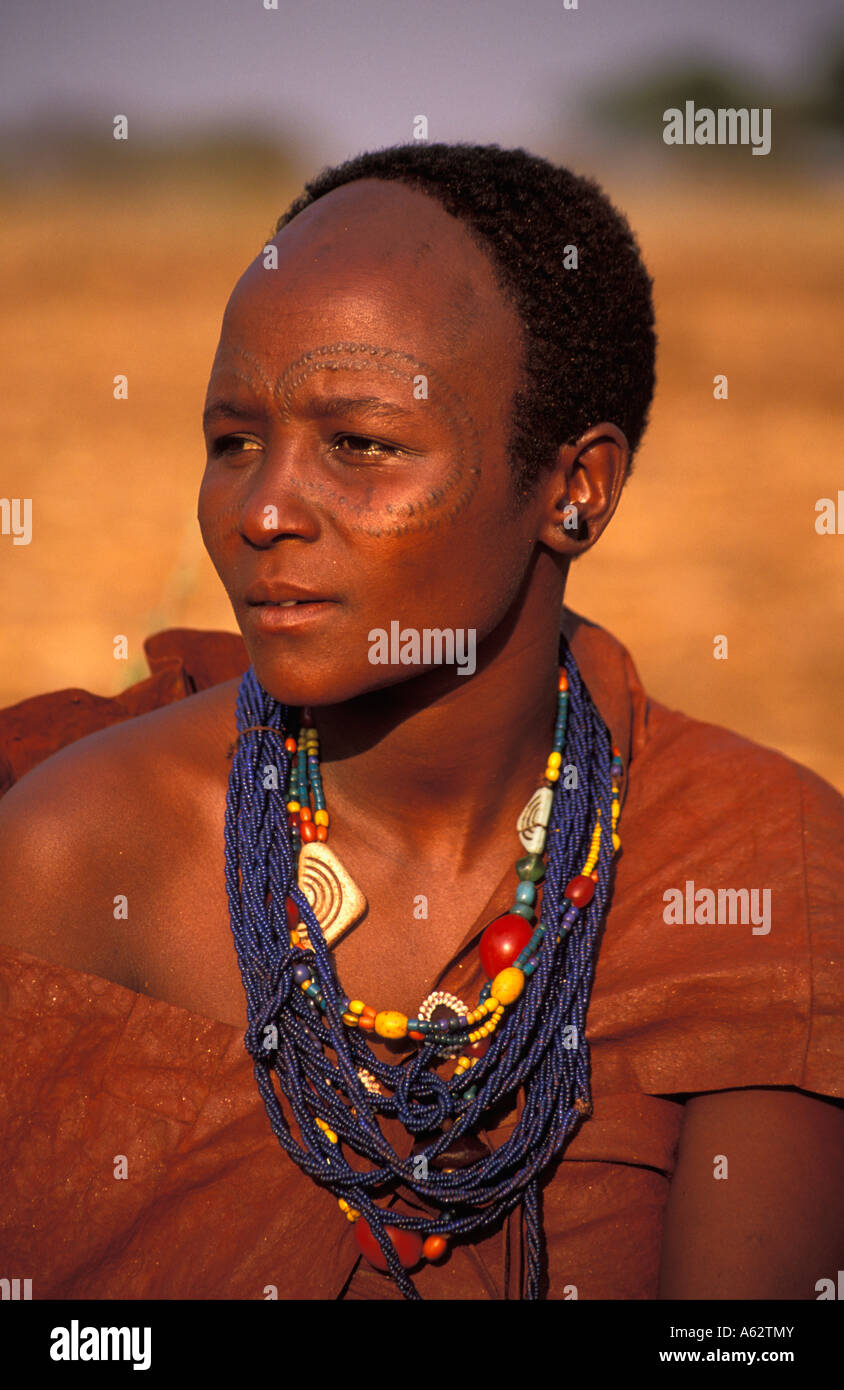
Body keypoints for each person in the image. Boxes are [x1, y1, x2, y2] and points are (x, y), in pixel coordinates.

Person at [0, 143, 841, 1301]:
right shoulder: (84, 848)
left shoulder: (750, 861)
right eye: (233, 440)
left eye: (361, 445)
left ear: (574, 488)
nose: (263, 508)